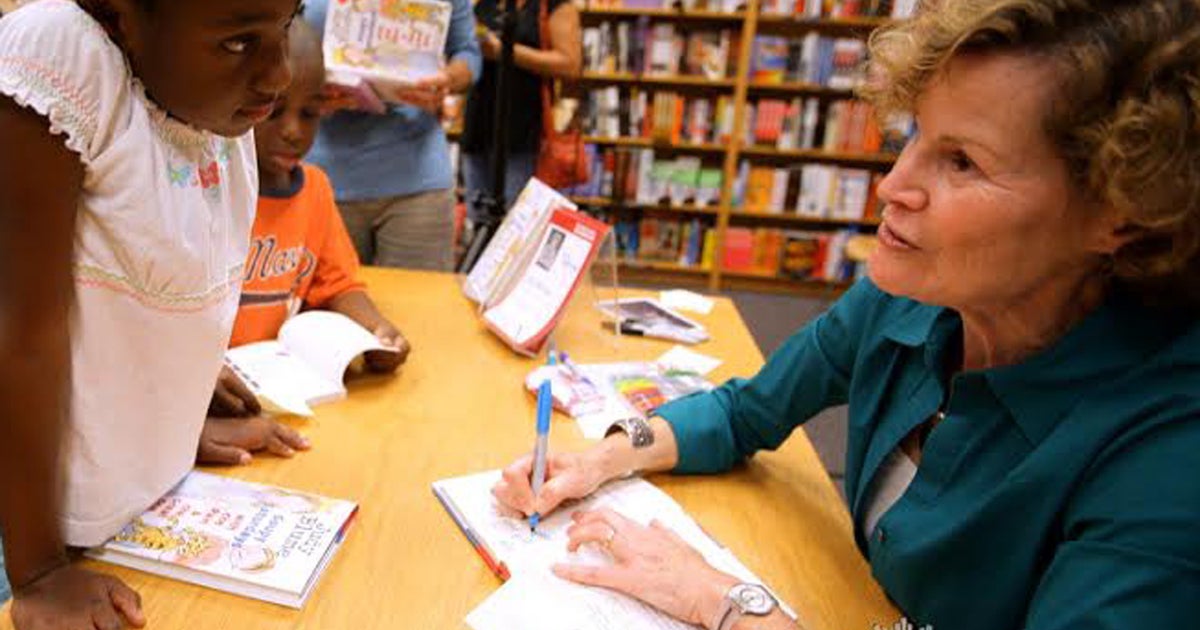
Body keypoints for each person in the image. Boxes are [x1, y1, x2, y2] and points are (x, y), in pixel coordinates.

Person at [491, 1, 1200, 628]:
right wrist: (592, 464)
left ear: (1121, 210)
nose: (893, 185)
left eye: (962, 163)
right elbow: (746, 412)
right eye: (915, 134)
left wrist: (726, 603)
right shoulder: (910, 298)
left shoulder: (1170, 454)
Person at [0, 0, 296, 627]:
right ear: (124, 17)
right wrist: (38, 572)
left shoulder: (215, 110)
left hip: (124, 517)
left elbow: (128, 282)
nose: (279, 75)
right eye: (240, 43)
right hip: (24, 537)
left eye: (289, 24)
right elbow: (21, 328)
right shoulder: (62, 61)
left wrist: (179, 407)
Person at [202, 20, 412, 465]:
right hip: (212, 397)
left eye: (310, 113)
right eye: (274, 112)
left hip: (285, 396)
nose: (295, 131)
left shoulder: (315, 189)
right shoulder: (210, 190)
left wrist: (376, 331)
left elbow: (338, 283)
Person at [303, 0, 481, 271]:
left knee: (415, 306)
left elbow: (467, 52)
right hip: (324, 177)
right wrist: (308, 89)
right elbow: (275, 46)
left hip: (419, 179)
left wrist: (448, 79)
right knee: (326, 308)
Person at [460, 0, 581, 226]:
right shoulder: (484, 4)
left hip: (523, 132)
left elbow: (570, 64)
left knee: (515, 226)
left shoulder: (553, 5)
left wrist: (505, 52)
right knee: (478, 222)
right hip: (478, 127)